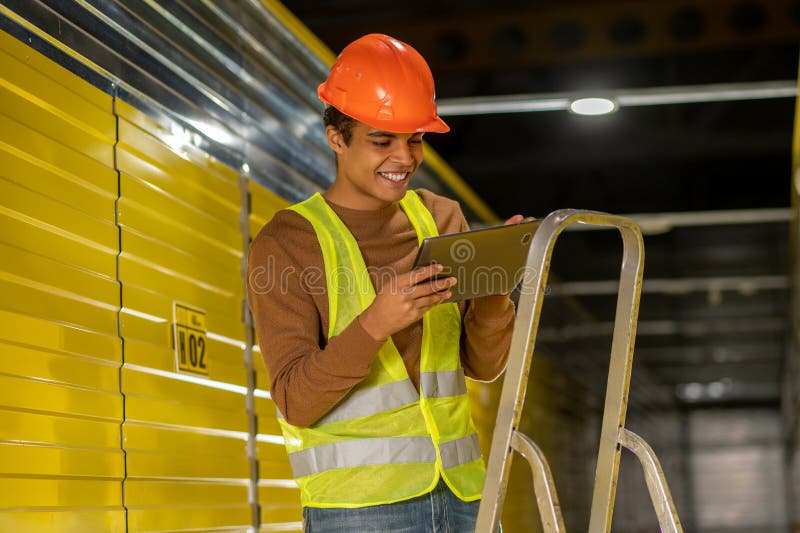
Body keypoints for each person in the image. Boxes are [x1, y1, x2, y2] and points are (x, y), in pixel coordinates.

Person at [247, 33, 522, 533]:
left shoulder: (442, 218)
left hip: (466, 497)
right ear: (337, 138)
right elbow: (295, 401)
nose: (404, 158)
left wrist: (495, 291)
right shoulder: (288, 244)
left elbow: (482, 366)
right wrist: (376, 323)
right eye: (382, 141)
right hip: (361, 512)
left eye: (414, 139)